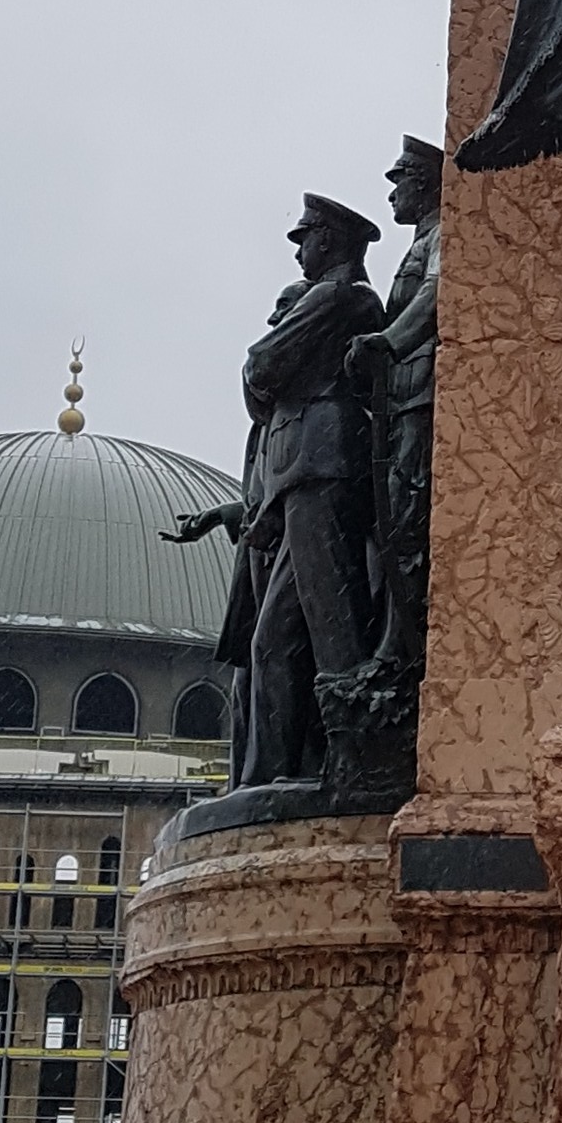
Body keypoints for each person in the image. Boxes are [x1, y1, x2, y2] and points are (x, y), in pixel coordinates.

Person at [168, 194, 385, 788]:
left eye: (306, 237)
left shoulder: (342, 296)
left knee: (330, 624)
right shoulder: (333, 297)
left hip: (322, 463)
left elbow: (262, 366)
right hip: (305, 469)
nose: (300, 250)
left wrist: (266, 380)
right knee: (273, 641)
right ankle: (266, 778)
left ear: (331, 241)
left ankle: (351, 760)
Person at [344, 135, 442, 697]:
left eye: (399, 176)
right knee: (390, 527)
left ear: (426, 181)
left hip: (420, 394)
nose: (391, 187)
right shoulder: (420, 240)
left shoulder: (442, 235)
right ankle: (392, 641)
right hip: (399, 397)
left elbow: (434, 296)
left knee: (405, 523)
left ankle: (400, 647)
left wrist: (387, 342)